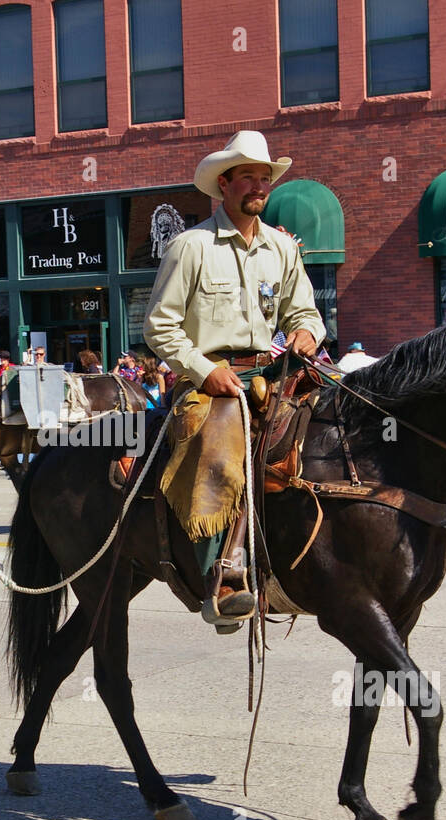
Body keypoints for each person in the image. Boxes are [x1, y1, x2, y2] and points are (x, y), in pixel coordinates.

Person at [144, 129, 325, 627]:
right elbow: (159, 326)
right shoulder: (192, 246)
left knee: (335, 419)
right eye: (249, 176)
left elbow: (304, 312)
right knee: (220, 444)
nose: (260, 186)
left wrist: (306, 335)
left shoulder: (282, 249)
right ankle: (220, 579)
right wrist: (205, 371)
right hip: (206, 382)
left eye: (265, 177)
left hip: (270, 372)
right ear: (224, 184)